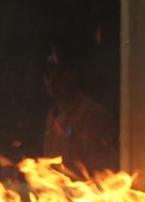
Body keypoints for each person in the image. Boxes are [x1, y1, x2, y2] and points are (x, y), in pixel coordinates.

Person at [41, 44, 117, 177]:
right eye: (48, 75)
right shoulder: (52, 116)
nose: (51, 81)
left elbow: (102, 169)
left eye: (58, 75)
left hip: (83, 190)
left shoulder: (92, 114)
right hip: (54, 189)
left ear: (72, 75)